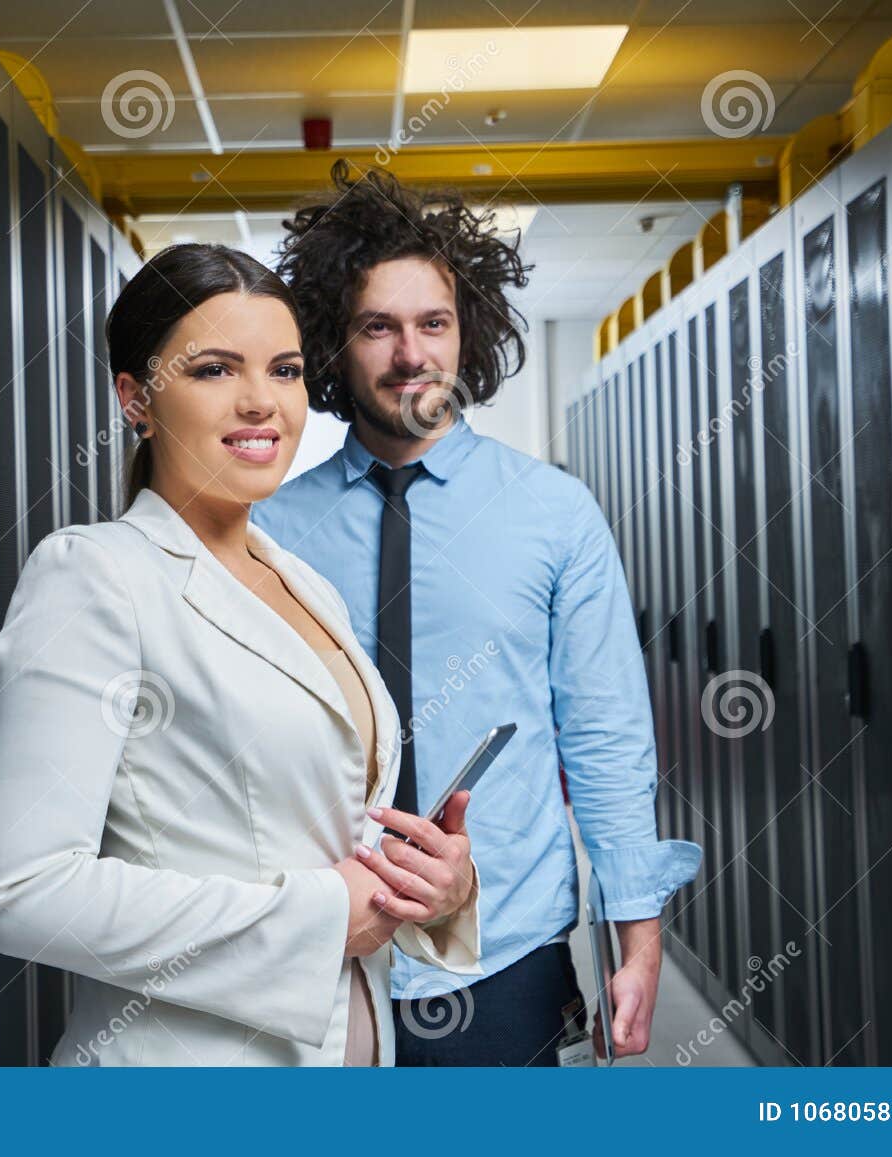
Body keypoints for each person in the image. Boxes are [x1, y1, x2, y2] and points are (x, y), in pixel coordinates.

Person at [0, 242, 481, 1066]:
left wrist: (435, 887)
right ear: (136, 397)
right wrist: (320, 917)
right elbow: (26, 891)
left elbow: (317, 831)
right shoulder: (95, 576)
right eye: (214, 370)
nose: (261, 403)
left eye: (283, 371)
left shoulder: (302, 582)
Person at [251, 161, 703, 1066]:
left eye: (433, 323)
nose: (410, 353)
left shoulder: (553, 512)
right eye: (377, 326)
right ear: (335, 344)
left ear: (469, 336)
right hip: (321, 943)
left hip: (506, 949)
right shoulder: (270, 528)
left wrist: (637, 940)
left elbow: (606, 736)